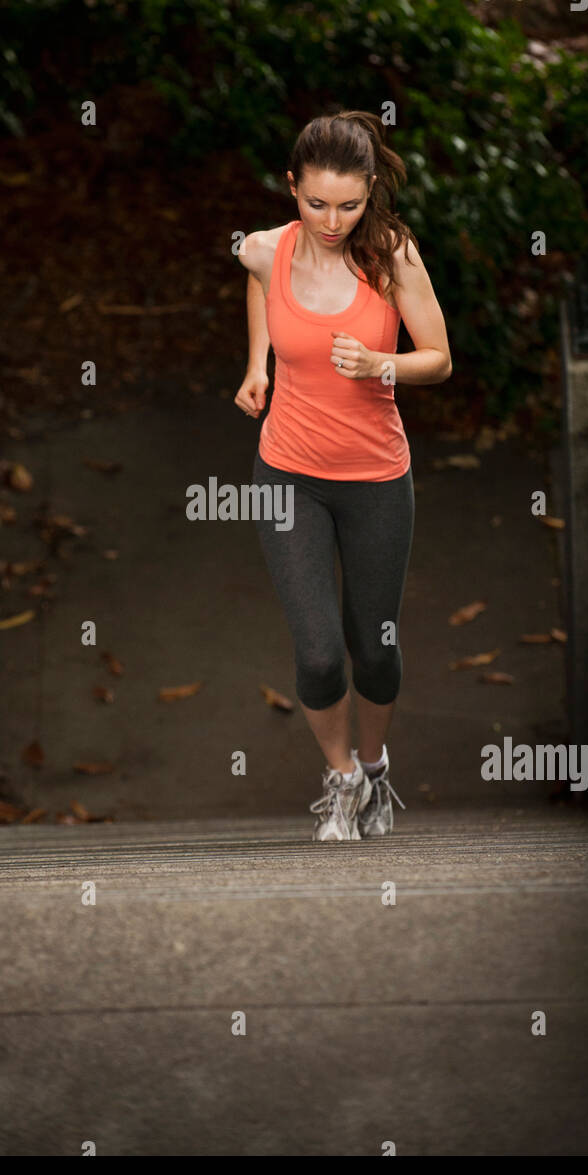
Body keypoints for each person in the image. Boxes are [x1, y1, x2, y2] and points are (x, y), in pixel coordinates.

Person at [235, 110, 451, 841]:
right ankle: (340, 778)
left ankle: (374, 764)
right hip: (287, 472)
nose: (332, 220)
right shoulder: (265, 249)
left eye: (349, 205)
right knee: (319, 653)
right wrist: (257, 362)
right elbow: (262, 289)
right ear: (292, 186)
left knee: (374, 648)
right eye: (316, 202)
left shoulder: (390, 256)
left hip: (376, 478)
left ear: (370, 194)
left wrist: (381, 364)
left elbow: (439, 358)